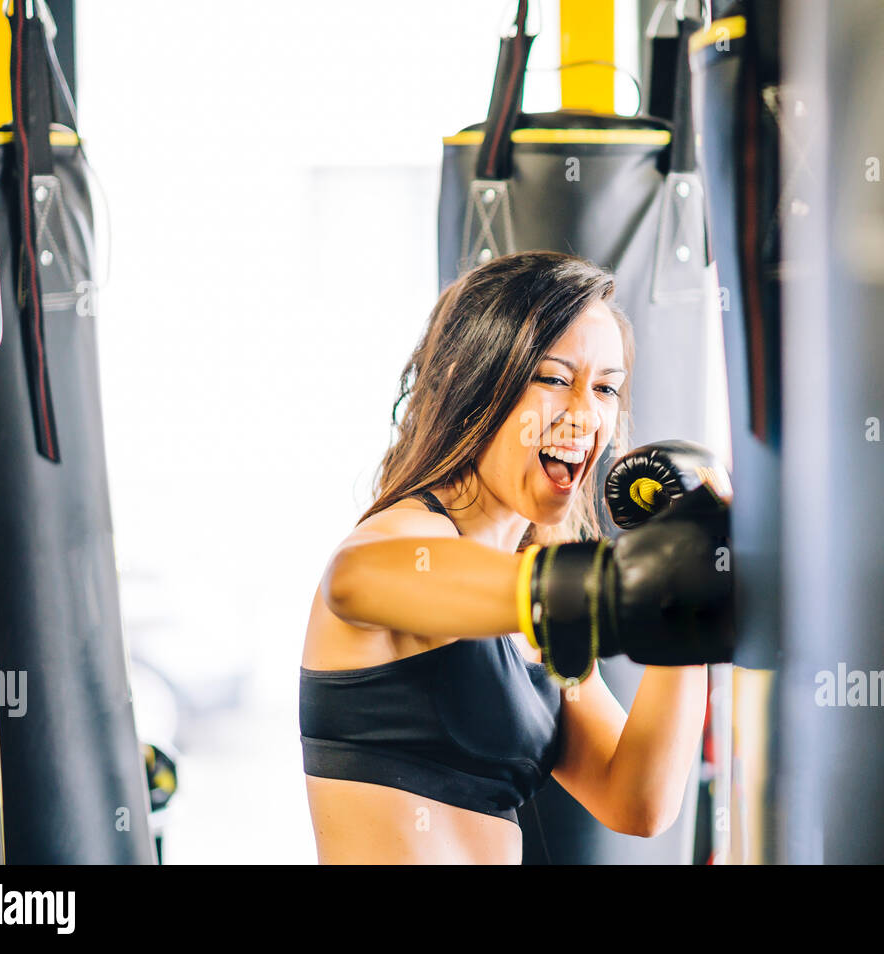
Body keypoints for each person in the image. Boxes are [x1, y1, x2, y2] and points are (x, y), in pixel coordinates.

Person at [299, 250, 719, 864]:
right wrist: (629, 585)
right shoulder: (398, 543)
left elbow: (637, 799)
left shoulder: (538, 610)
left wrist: (692, 608)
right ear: (473, 383)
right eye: (553, 379)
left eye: (605, 388)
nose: (585, 414)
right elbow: (356, 580)